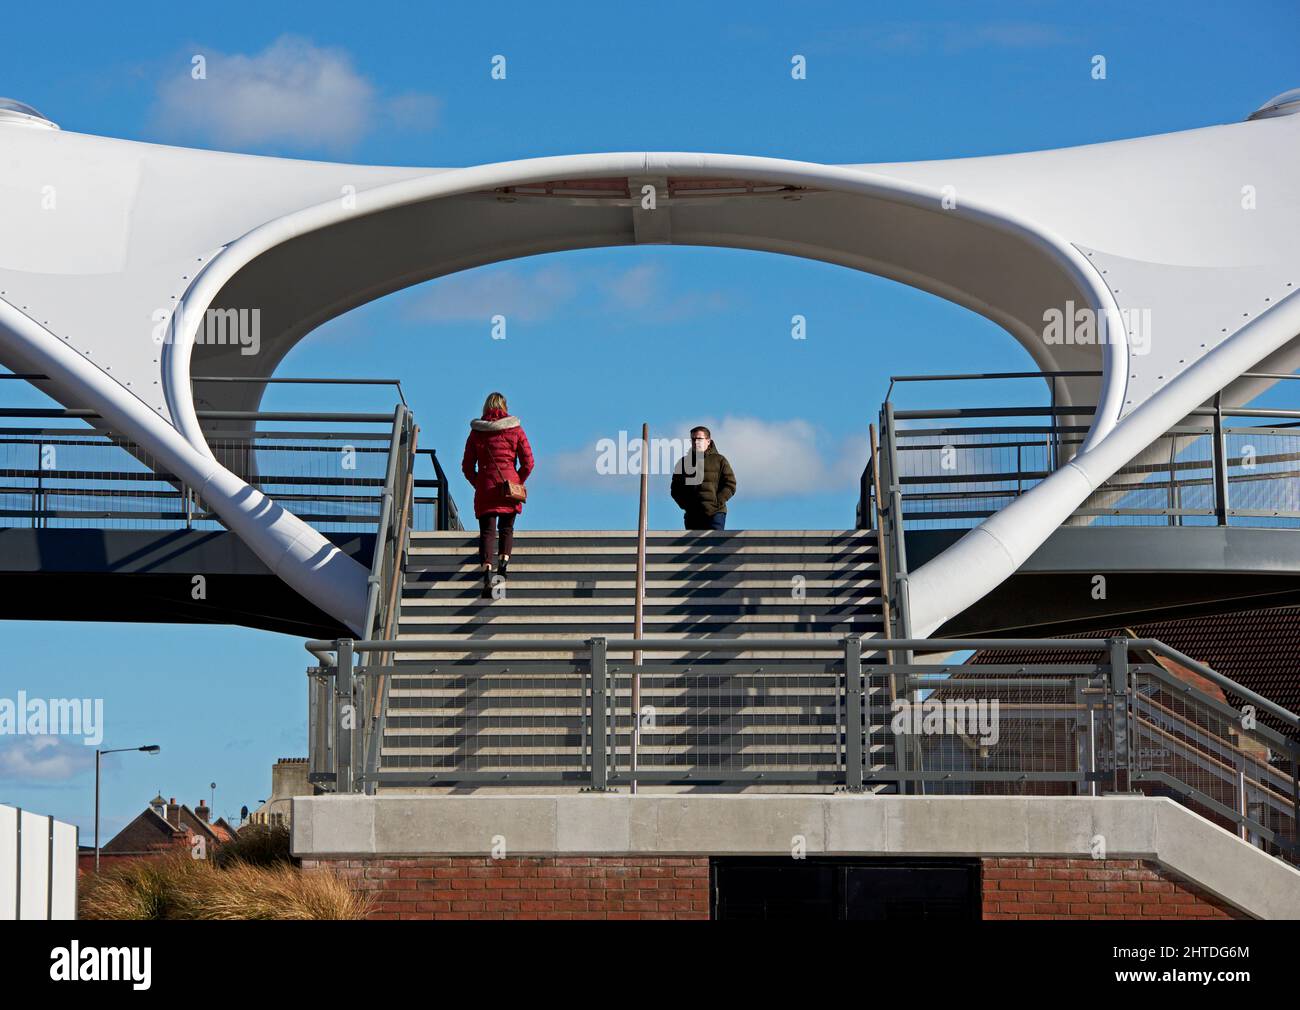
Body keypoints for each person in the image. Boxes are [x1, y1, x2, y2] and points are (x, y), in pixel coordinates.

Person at [462, 392, 534, 598]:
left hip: (485, 487)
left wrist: (479, 483)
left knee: (487, 532)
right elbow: (528, 462)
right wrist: (517, 481)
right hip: (508, 488)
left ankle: (486, 574)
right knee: (506, 529)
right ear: (505, 407)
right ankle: (502, 569)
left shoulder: (476, 432)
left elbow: (467, 466)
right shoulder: (515, 429)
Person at [670, 425, 736, 530]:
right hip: (693, 515)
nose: (696, 442)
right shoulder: (683, 463)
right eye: (693, 439)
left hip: (716, 514)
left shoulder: (720, 460)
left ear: (708, 441)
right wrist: (688, 506)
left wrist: (717, 502)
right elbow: (676, 489)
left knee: (714, 544)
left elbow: (730, 484)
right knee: (692, 546)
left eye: (699, 439)